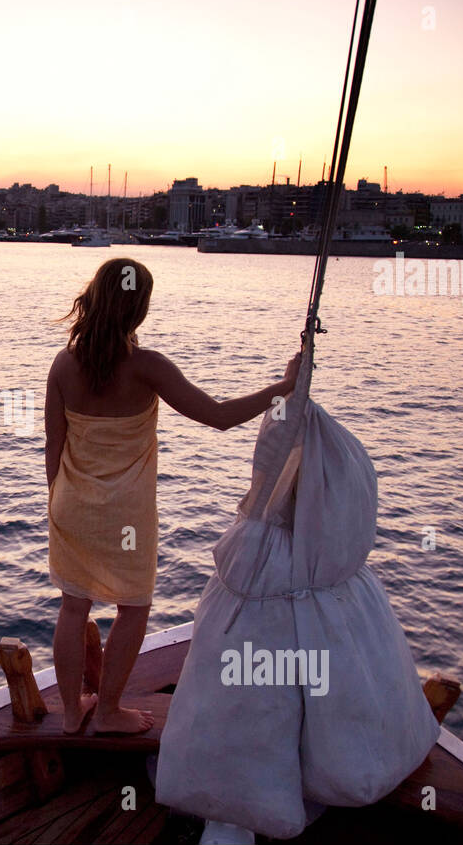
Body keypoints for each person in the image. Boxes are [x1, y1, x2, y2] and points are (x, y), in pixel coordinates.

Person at [44, 257, 300, 734]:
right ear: (139, 309)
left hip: (70, 505)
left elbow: (52, 446)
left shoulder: (63, 364)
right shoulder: (149, 368)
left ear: (95, 298)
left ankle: (72, 713)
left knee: (73, 606)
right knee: (133, 608)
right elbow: (220, 416)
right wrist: (284, 387)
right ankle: (107, 712)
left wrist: (58, 503)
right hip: (125, 514)